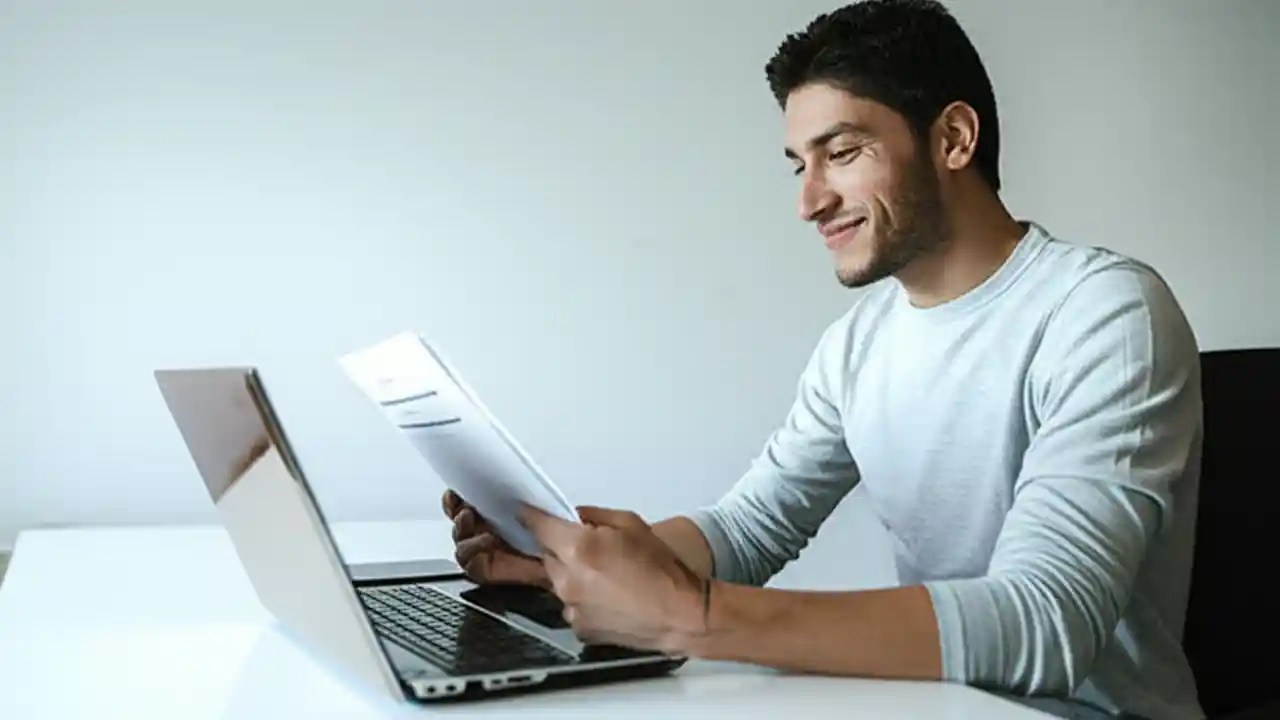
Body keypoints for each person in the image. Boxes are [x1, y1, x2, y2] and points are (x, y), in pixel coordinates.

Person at [443, 1, 1204, 717]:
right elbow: (747, 531)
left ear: (953, 140)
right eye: (797, 164)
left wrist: (692, 616)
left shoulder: (1105, 314)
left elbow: (1045, 622)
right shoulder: (858, 343)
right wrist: (573, 563)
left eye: (841, 153)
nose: (809, 201)